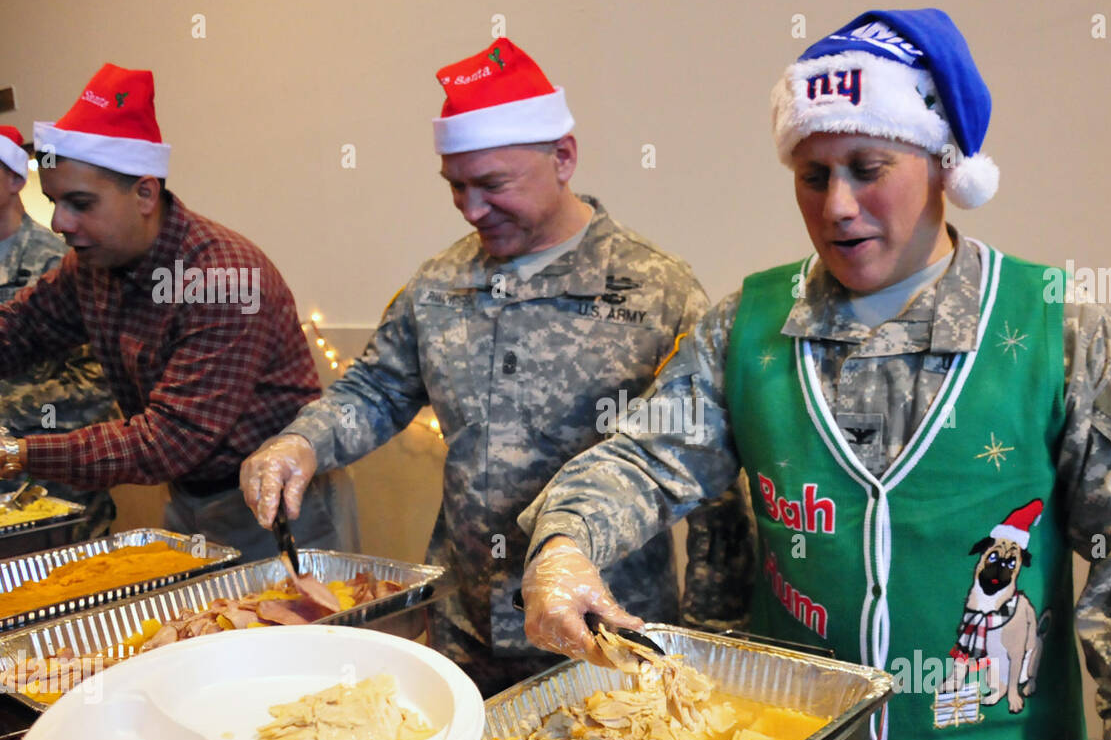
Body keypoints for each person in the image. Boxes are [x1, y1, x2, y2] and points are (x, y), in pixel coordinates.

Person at [518, 9, 1111, 740]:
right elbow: (645, 457)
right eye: (813, 176)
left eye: (867, 168)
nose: (839, 206)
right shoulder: (748, 326)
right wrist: (565, 539)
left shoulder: (1062, 332)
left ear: (944, 167)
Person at [241, 39, 753, 697]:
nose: (471, 209)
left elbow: (707, 484)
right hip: (465, 628)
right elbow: (376, 389)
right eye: (456, 186)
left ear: (562, 157)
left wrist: (715, 636)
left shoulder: (653, 289)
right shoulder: (441, 284)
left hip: (602, 637)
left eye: (492, 185)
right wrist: (302, 439)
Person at [0, 65, 359, 560]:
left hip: (273, 506)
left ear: (145, 193)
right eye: (55, 201)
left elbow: (167, 440)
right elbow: (16, 330)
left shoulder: (224, 278)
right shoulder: (90, 267)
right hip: (188, 498)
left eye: (80, 203)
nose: (60, 222)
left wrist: (18, 454)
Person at [0, 125, 119, 539]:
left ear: (16, 178)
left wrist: (8, 421)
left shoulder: (63, 261)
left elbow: (98, 385)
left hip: (56, 489)